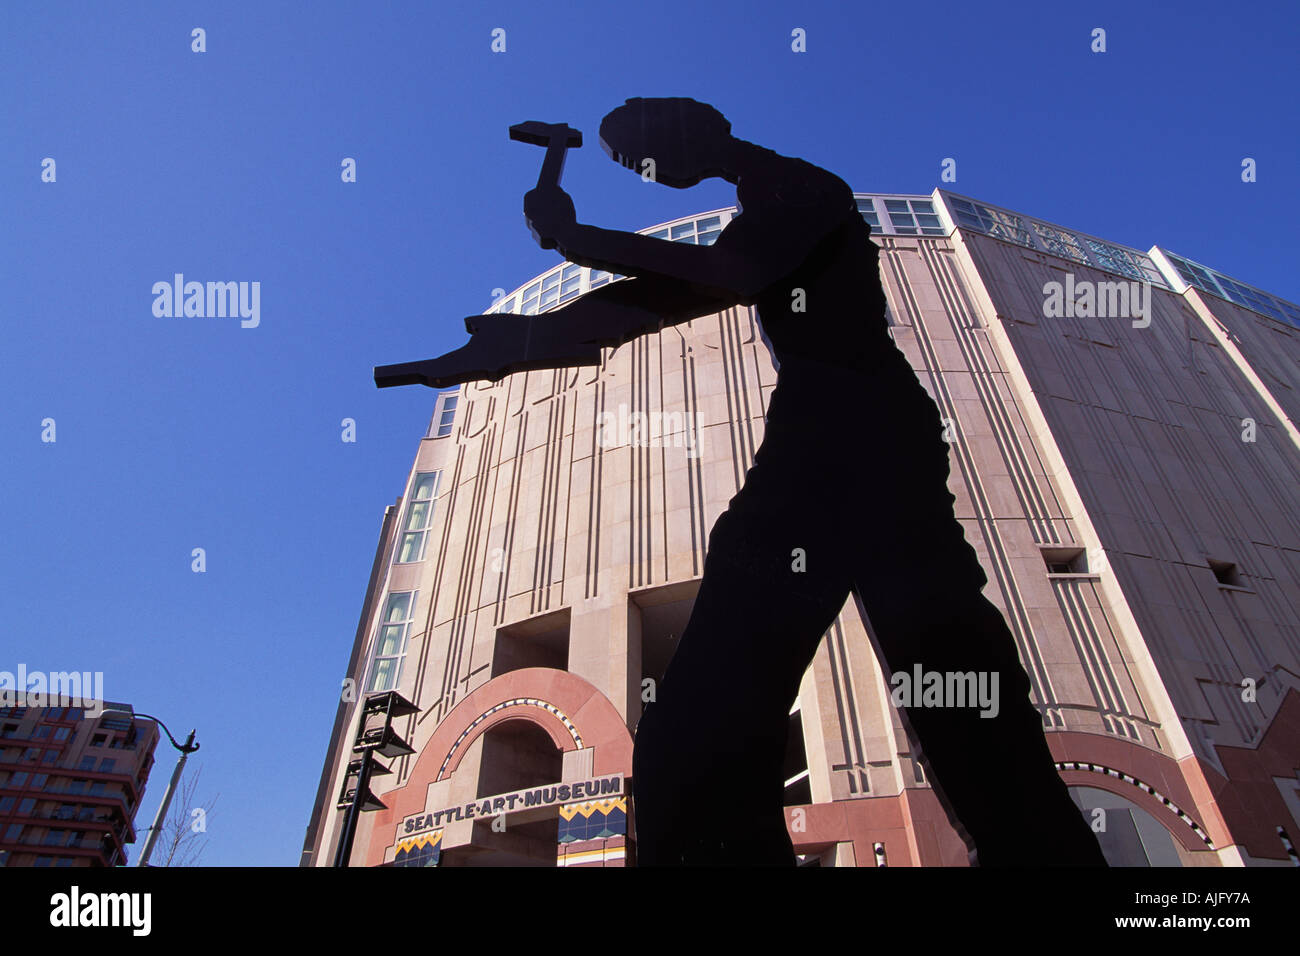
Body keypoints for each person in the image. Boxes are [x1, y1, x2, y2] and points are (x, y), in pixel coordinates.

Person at [379, 97, 1108, 867]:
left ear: (696, 128)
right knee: (938, 676)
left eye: (645, 156)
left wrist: (578, 237)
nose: (648, 174)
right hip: (849, 427)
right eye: (633, 167)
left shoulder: (801, 187)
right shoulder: (765, 203)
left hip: (850, 427)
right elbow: (654, 300)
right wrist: (506, 344)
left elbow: (731, 272)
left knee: (907, 680)